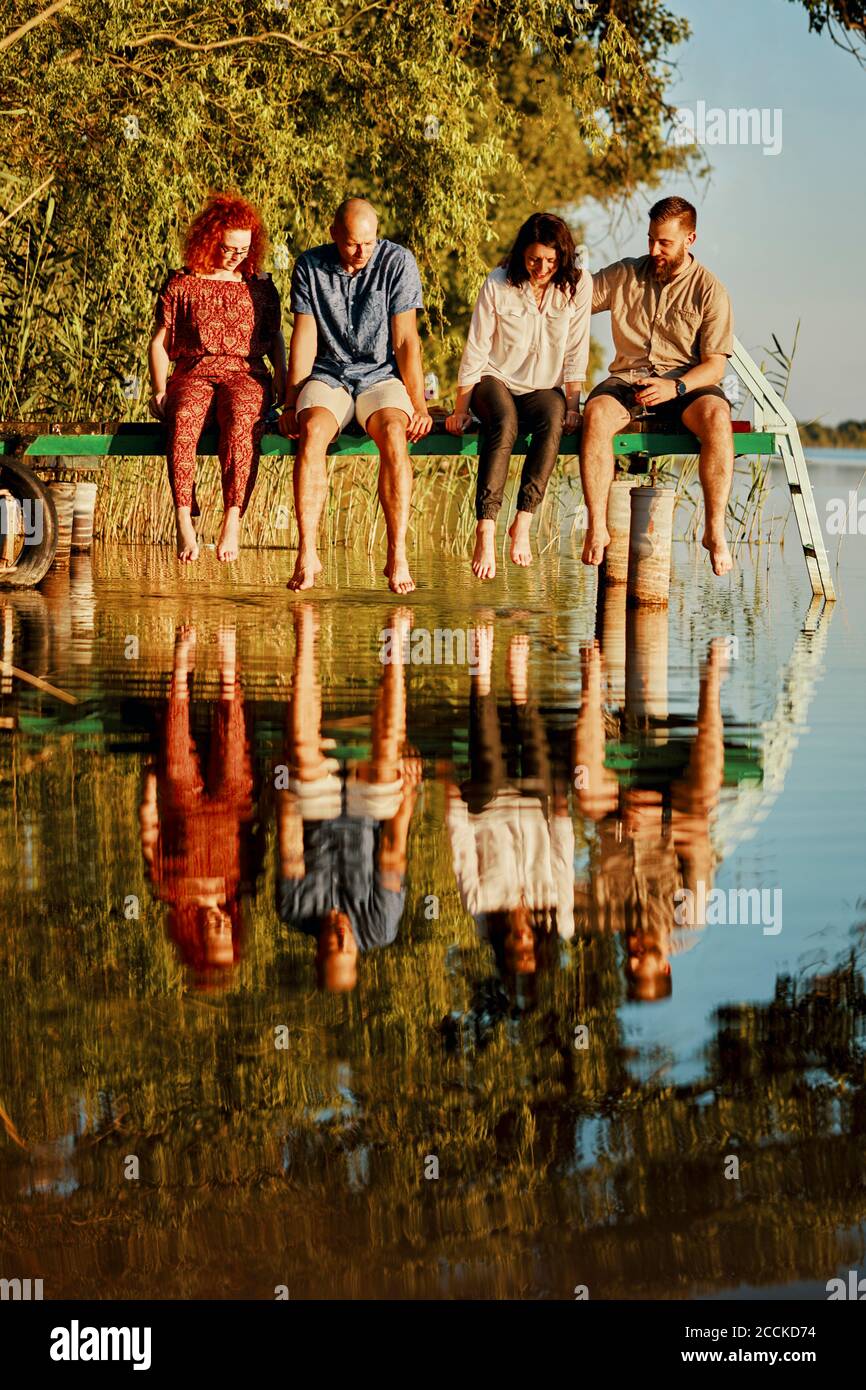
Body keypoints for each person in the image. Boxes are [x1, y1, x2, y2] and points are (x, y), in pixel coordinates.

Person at [278, 198, 431, 594]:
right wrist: (292, 401)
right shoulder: (310, 266)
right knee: (311, 432)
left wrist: (419, 405)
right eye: (352, 243)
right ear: (333, 235)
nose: (362, 252)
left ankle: (397, 551)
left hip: (380, 376)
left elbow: (405, 340)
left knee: (396, 434)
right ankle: (308, 551)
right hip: (329, 374)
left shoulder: (398, 262)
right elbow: (305, 338)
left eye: (369, 242)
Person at [580, 195, 735, 577]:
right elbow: (574, 297)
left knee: (718, 415)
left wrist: (676, 387)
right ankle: (597, 525)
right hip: (627, 381)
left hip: (684, 387)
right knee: (596, 413)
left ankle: (714, 530)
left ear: (690, 239)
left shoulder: (710, 290)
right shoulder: (625, 274)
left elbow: (715, 366)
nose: (654, 250)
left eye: (664, 242)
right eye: (650, 239)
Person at [276, 605, 421, 991]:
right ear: (357, 954)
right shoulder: (379, 927)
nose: (341, 939)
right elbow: (392, 851)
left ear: (317, 953)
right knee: (389, 751)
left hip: (318, 809)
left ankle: (305, 637)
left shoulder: (294, 911)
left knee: (304, 752)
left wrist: (282, 782)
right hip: (366, 814)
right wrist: (408, 793)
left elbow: (291, 847)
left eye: (331, 948)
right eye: (347, 950)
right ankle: (396, 645)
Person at [445, 212, 591, 579]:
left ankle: (523, 520)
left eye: (550, 261)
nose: (541, 268)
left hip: (543, 388)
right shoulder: (498, 282)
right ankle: (486, 526)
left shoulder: (577, 286)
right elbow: (476, 349)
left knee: (553, 417)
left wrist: (573, 405)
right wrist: (461, 409)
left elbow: (576, 352)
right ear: (521, 254)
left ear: (563, 257)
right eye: (533, 259)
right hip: (494, 380)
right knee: (505, 422)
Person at [148, 192, 286, 564]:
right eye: (229, 248)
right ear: (210, 240)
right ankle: (182, 518)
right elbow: (160, 342)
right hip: (194, 371)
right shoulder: (183, 283)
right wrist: (159, 389)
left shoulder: (259, 285)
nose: (235, 256)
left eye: (243, 249)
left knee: (243, 416)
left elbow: (275, 340)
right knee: (184, 418)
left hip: (246, 371)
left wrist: (285, 381)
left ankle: (232, 518)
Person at [139, 624, 259, 982]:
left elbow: (149, 835)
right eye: (226, 933)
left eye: (213, 936)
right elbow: (254, 837)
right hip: (231, 805)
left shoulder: (173, 892)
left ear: (196, 936)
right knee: (234, 741)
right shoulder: (236, 890)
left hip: (184, 805)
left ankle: (182, 659)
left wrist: (149, 788)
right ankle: (226, 654)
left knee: (176, 755)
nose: (219, 927)